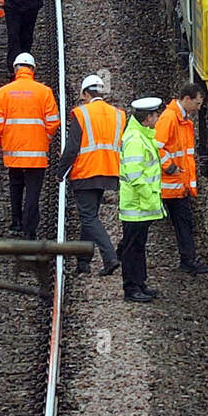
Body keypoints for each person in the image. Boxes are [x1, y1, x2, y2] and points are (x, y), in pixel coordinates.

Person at [52, 73, 124, 276]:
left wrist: (61, 172)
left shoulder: (82, 114)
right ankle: (83, 263)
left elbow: (72, 147)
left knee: (89, 217)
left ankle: (110, 257)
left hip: (86, 172)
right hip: (109, 171)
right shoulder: (117, 114)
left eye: (82, 96)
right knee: (89, 215)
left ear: (86, 93)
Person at [0, 52, 60, 238]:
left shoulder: (4, 92)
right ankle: (29, 231)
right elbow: (53, 122)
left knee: (15, 186)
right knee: (33, 191)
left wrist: (8, 137)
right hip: (36, 152)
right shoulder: (44, 92)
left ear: (16, 69)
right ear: (33, 69)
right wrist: (44, 137)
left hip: (13, 151)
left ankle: (16, 222)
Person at [153, 84, 208, 273]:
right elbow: (157, 147)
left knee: (182, 222)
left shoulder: (180, 120)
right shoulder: (170, 119)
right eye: (197, 103)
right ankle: (188, 261)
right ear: (186, 99)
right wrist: (169, 167)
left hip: (175, 185)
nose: (198, 108)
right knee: (179, 222)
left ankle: (188, 259)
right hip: (169, 185)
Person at [119, 97, 166, 303]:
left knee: (138, 246)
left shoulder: (141, 135)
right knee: (132, 248)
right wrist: (150, 199)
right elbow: (136, 176)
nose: (158, 118)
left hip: (140, 206)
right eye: (156, 115)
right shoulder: (136, 140)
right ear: (148, 118)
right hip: (136, 206)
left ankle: (139, 283)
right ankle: (131, 288)